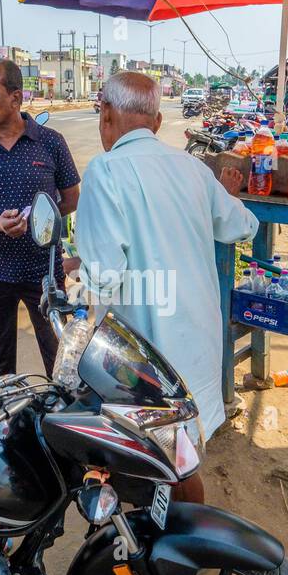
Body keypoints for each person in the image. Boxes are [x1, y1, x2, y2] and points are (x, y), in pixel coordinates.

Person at [73, 72, 258, 504]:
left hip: (147, 357)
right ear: (156, 122)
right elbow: (243, 225)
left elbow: (103, 274)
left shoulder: (106, 170)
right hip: (198, 346)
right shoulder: (194, 169)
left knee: (166, 464)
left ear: (105, 115)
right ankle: (173, 543)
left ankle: (179, 555)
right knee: (182, 454)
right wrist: (226, 196)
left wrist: (81, 265)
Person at [0, 58, 80, 377]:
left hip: (45, 273)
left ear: (15, 97)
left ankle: (56, 424)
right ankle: (9, 425)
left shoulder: (51, 142)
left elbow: (71, 198)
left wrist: (42, 222)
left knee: (60, 359)